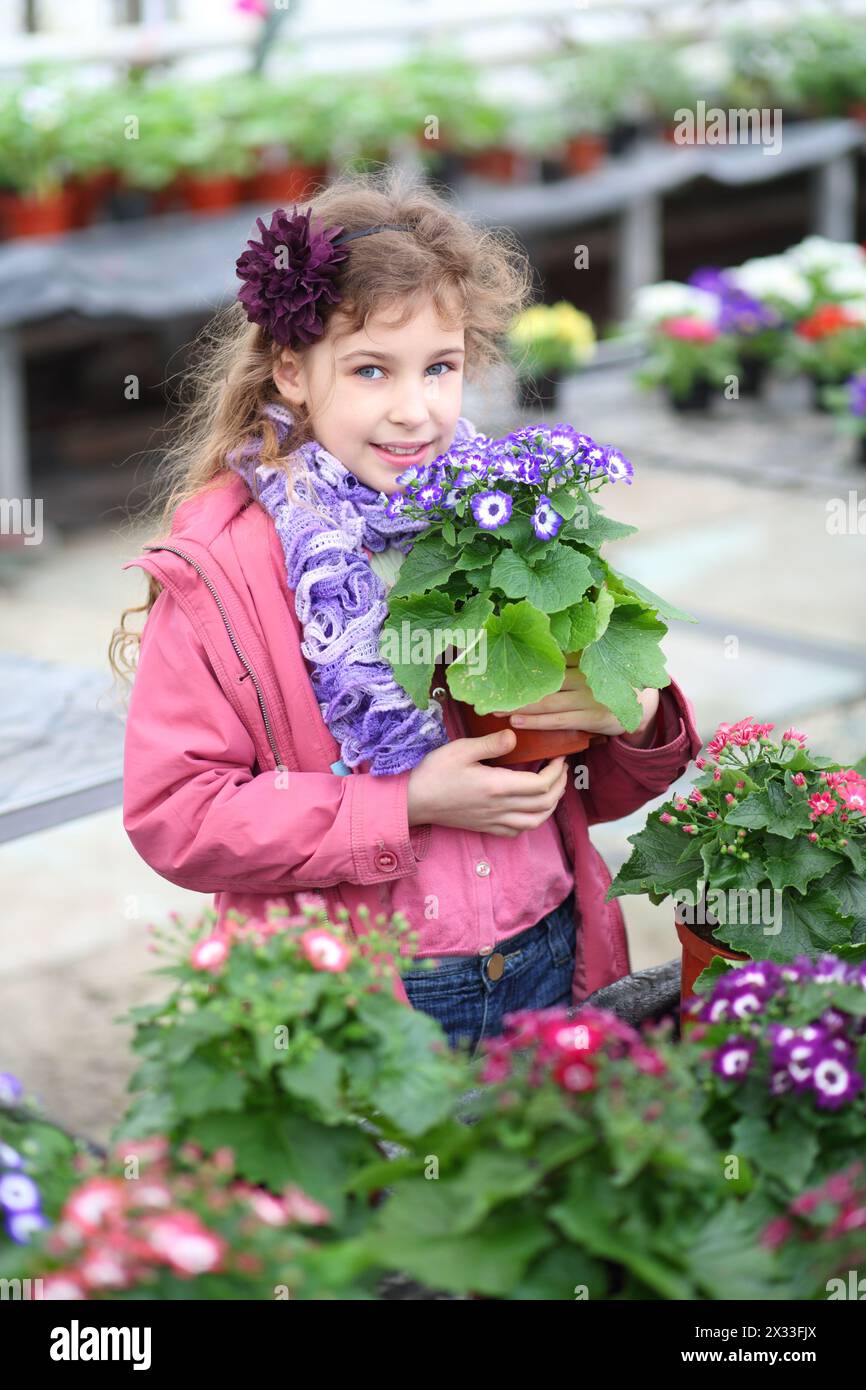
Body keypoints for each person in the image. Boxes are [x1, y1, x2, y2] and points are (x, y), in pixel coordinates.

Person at [110, 167, 701, 1062]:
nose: (414, 409)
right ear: (291, 372)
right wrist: (405, 803)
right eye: (370, 370)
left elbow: (602, 787)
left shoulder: (505, 514)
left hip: (549, 946)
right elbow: (178, 814)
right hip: (366, 993)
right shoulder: (229, 564)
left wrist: (633, 714)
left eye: (441, 367)